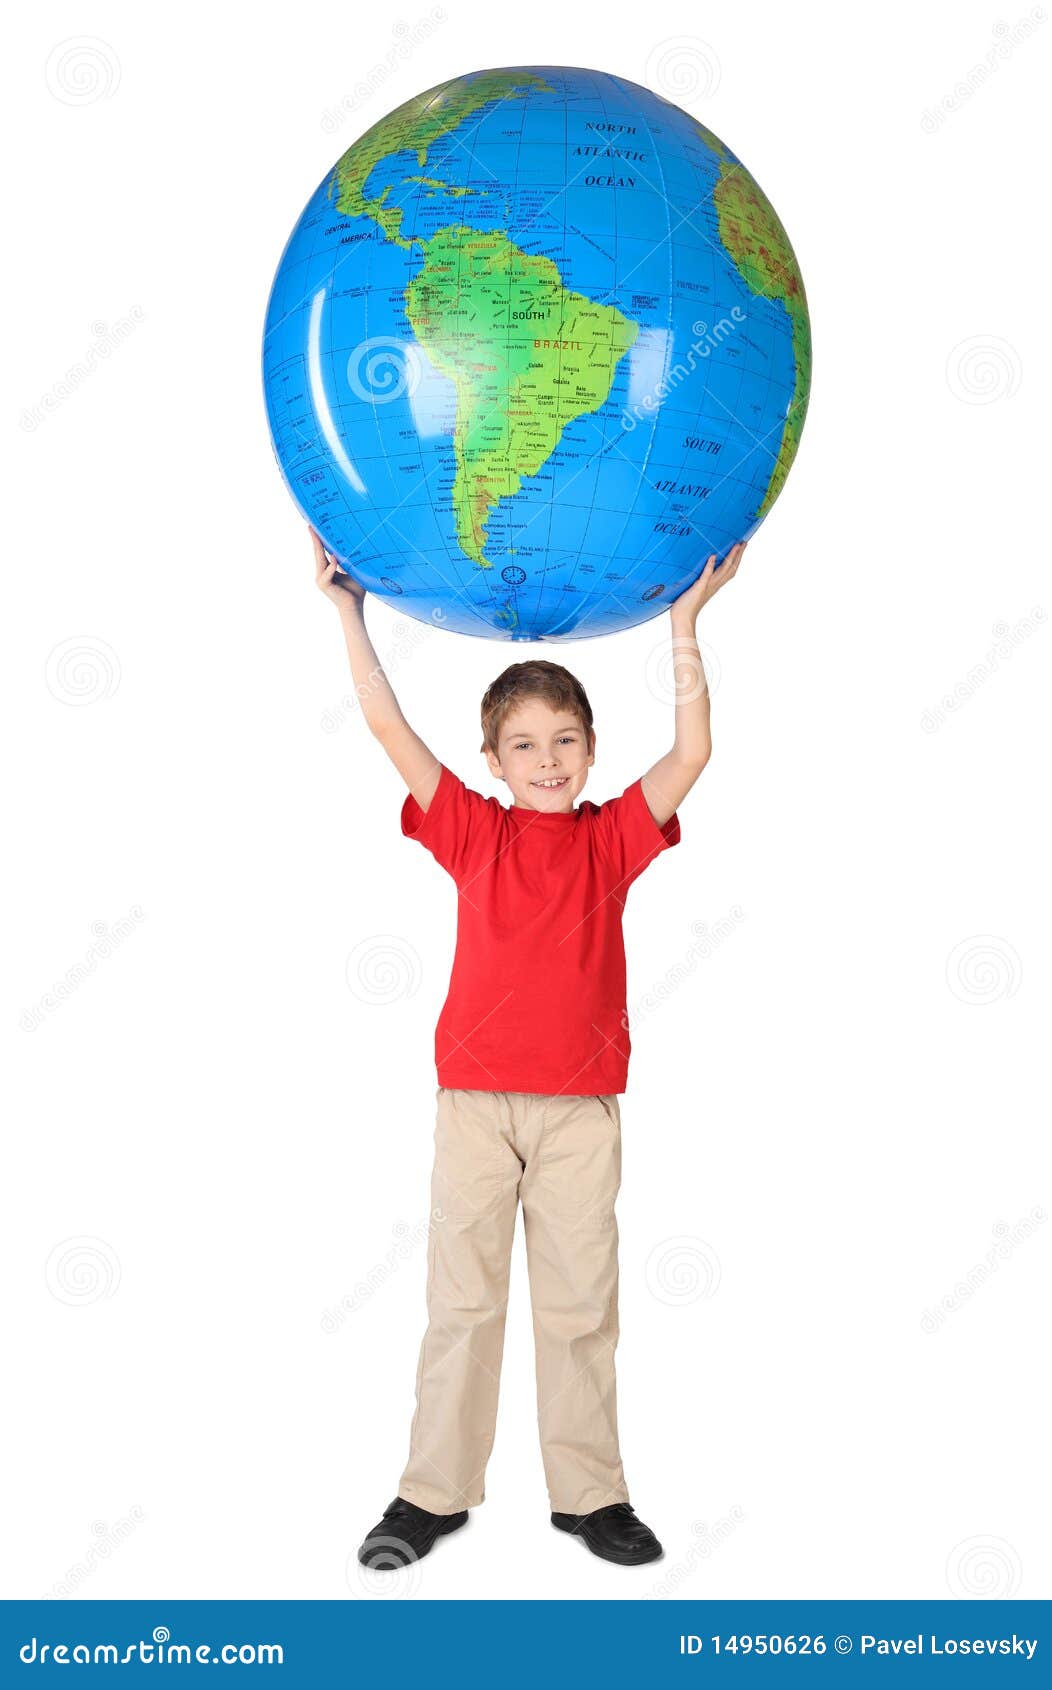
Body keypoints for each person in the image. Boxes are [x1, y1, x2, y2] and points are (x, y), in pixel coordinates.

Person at [309, 527, 745, 1569]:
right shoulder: (471, 830)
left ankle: (590, 1496)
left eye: (563, 741)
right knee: (461, 1303)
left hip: (579, 1111)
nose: (546, 760)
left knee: (579, 1307)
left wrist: (684, 623)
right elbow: (384, 722)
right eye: (523, 745)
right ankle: (431, 1494)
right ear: (492, 761)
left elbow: (691, 754)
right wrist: (347, 613)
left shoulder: (610, 837)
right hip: (474, 1104)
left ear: (591, 750)